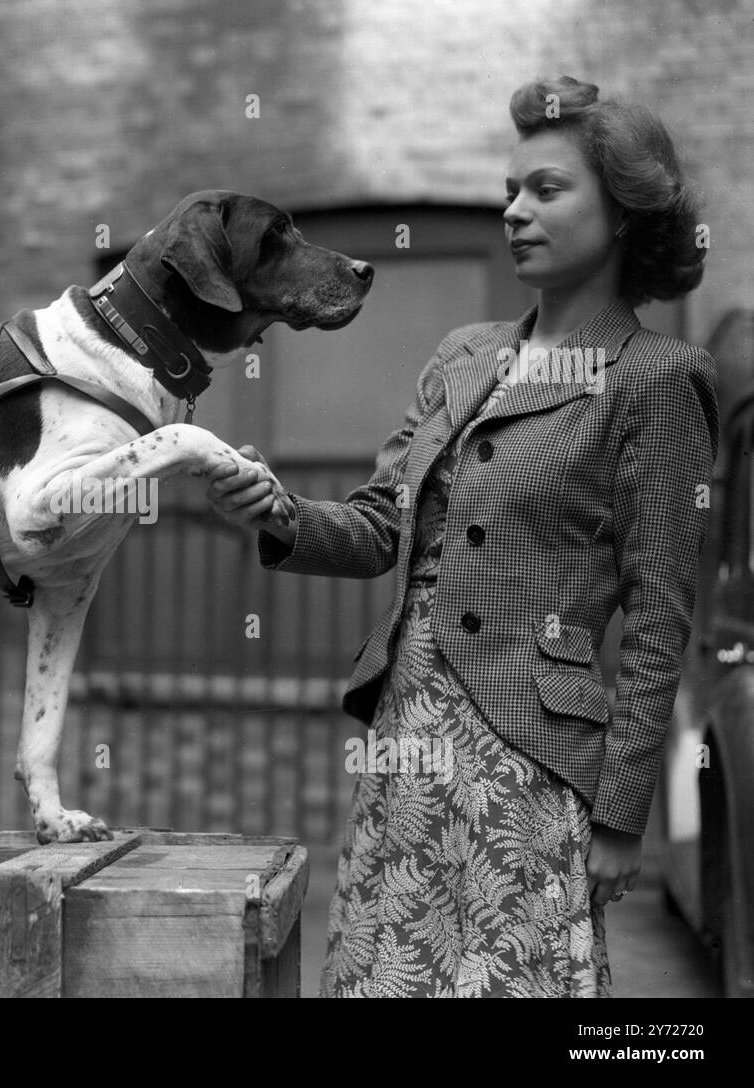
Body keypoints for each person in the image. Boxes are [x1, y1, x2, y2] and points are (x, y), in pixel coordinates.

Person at [207, 75, 719, 997]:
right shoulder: (464, 353)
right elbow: (378, 525)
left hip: (531, 759)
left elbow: (658, 619)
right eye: (509, 191)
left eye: (546, 190)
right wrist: (277, 511)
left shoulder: (659, 379)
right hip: (409, 736)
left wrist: (622, 817)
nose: (515, 211)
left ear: (627, 213)